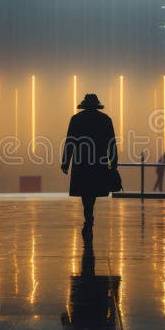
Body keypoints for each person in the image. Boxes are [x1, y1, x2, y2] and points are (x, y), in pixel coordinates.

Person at [62, 94, 118, 238]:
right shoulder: (105, 120)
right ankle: (89, 214)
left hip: (81, 160)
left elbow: (70, 142)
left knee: (84, 190)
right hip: (99, 160)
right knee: (92, 190)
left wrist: (65, 161)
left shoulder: (76, 119)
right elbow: (112, 143)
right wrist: (113, 162)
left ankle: (88, 215)